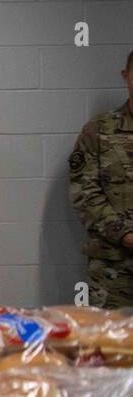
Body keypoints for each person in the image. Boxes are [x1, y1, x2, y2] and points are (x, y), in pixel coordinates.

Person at [69, 49, 133, 309]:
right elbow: (84, 192)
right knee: (110, 342)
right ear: (125, 76)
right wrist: (125, 234)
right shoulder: (100, 130)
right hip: (114, 267)